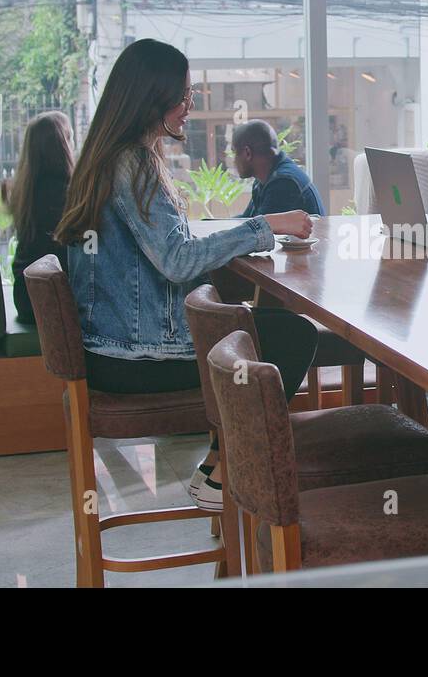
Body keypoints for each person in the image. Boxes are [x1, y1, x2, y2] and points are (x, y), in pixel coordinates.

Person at [54, 39, 317, 512]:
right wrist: (267, 225)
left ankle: (222, 466)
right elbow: (175, 259)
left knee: (253, 323)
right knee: (292, 337)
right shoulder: (131, 164)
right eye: (183, 96)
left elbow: (162, 245)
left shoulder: (107, 158)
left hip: (108, 346)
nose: (188, 106)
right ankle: (228, 471)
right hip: (136, 355)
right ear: (150, 98)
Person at [4, 111, 74, 324]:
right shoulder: (66, 195)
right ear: (61, 146)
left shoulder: (26, 192)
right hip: (51, 302)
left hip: (25, 296)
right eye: (70, 139)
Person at [231, 119, 324, 217]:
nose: (233, 160)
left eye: (234, 153)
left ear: (247, 153)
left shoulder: (284, 183)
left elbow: (259, 230)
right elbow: (247, 221)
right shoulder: (265, 179)